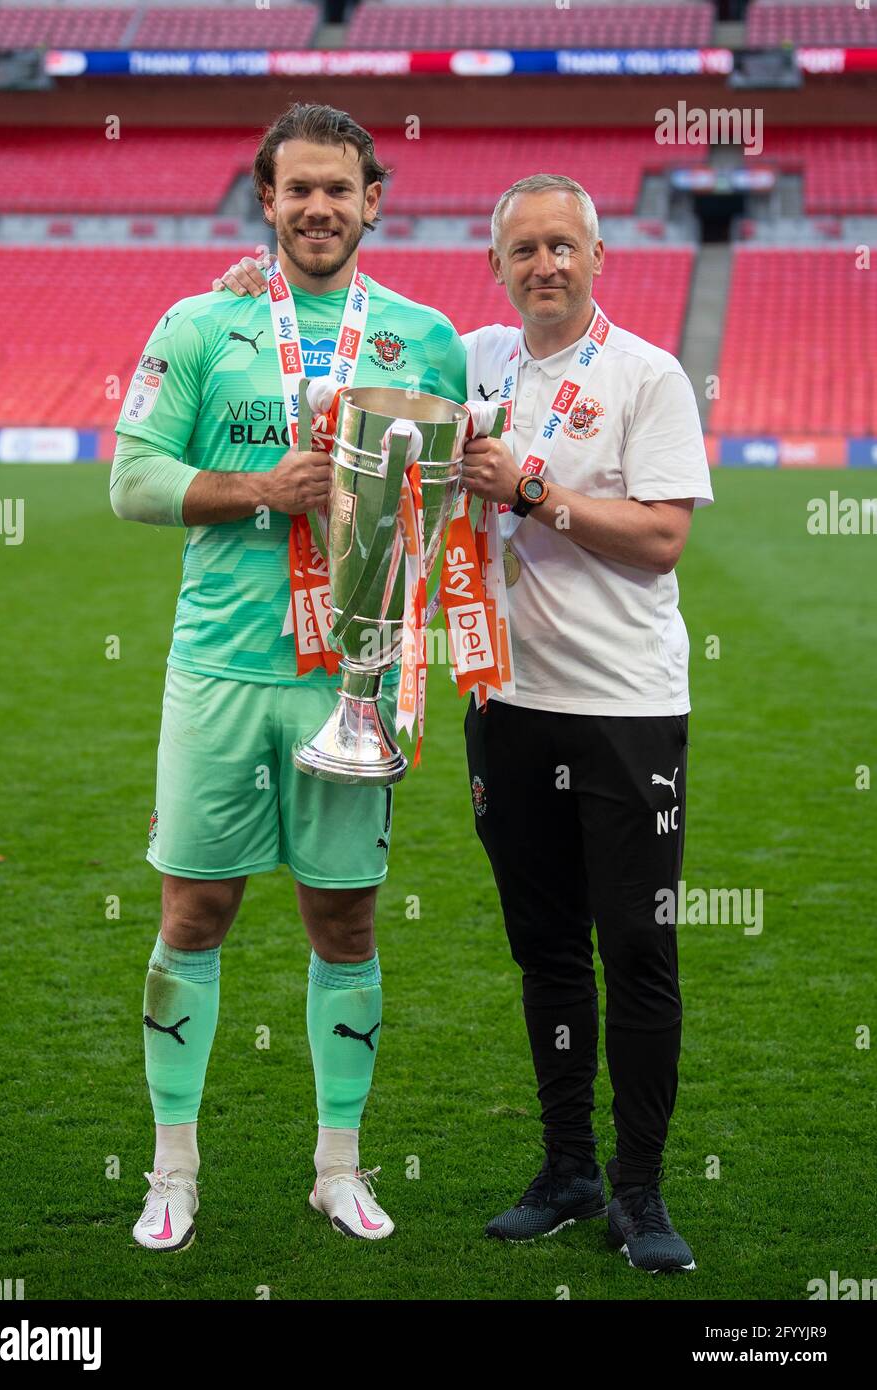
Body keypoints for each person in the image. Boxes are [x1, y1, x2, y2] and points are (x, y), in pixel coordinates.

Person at [215, 171, 713, 1274]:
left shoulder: (650, 375)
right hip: (506, 705)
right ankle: (568, 1168)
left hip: (626, 708)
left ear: (598, 257)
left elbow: (665, 537)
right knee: (543, 950)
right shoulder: (470, 357)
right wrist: (255, 289)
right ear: (497, 268)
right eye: (523, 250)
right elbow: (352, 342)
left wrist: (535, 492)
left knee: (635, 946)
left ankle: (642, 1191)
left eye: (562, 246)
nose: (545, 265)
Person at [110, 102, 466, 1251]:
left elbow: (455, 492)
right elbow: (132, 481)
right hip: (219, 669)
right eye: (296, 188)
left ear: (375, 199)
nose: (319, 207)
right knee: (195, 909)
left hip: (345, 673)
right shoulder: (203, 321)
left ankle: (340, 1167)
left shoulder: (425, 337)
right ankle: (173, 1169)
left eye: (339, 188)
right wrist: (268, 486)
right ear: (265, 199)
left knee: (346, 922)